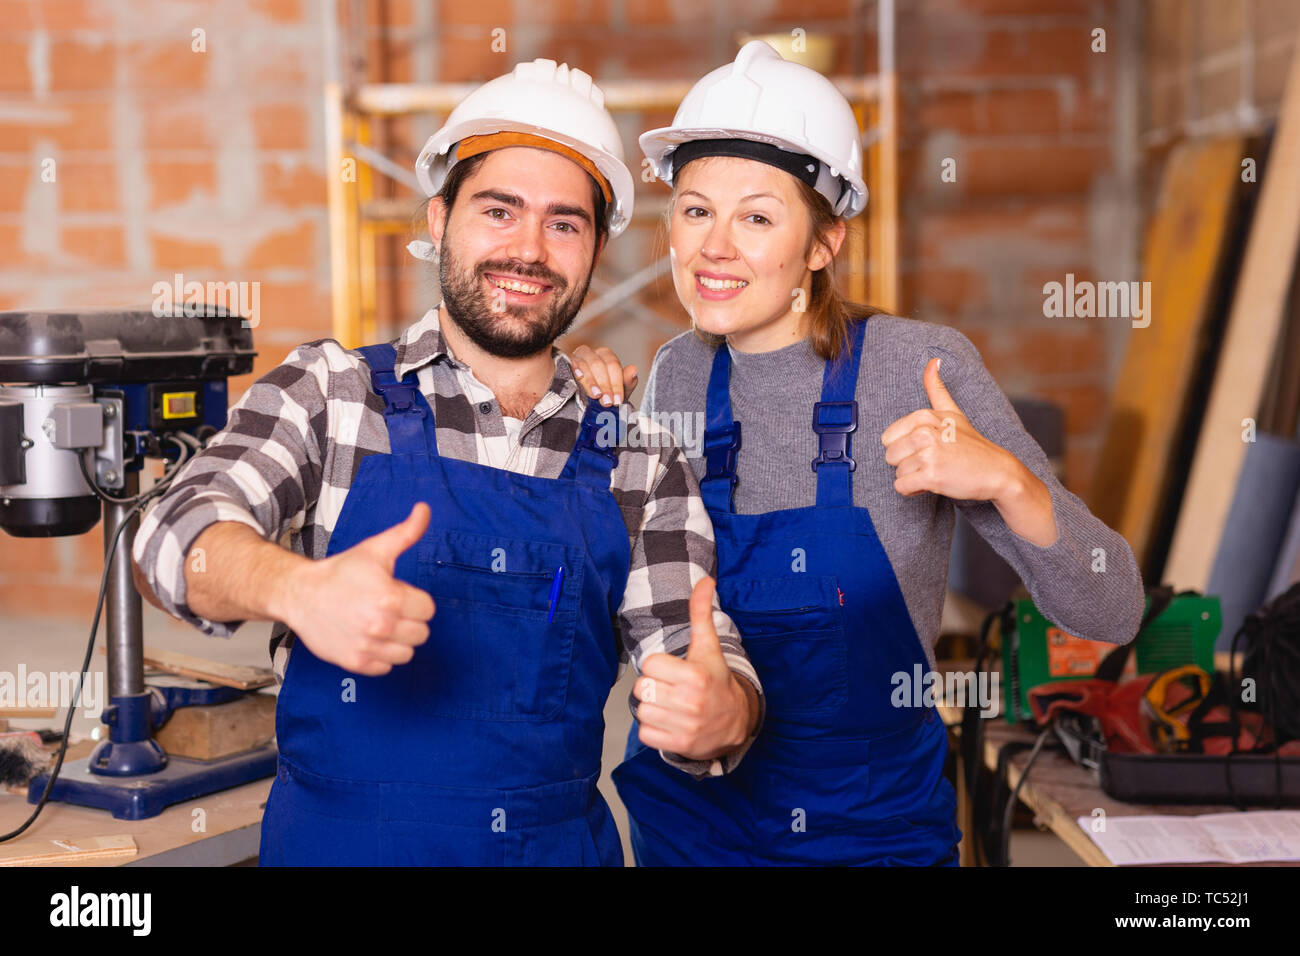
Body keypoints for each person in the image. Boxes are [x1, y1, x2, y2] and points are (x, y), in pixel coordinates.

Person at [131, 57, 762, 866]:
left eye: (564, 224)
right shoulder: (335, 395)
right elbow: (170, 536)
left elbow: (700, 653)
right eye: (499, 211)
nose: (529, 250)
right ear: (438, 222)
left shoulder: (636, 458)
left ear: (595, 250)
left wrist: (728, 712)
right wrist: (295, 588)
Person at [573, 41, 1145, 865]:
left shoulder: (916, 368)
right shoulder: (675, 375)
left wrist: (1010, 481)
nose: (715, 247)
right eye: (696, 210)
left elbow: (1113, 609)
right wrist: (586, 406)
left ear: (824, 242)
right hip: (694, 828)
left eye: (758, 217)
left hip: (871, 831)